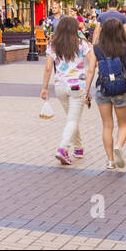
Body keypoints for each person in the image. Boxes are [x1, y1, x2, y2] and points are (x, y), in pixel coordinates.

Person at [86, 16, 126, 171]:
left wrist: (86, 91)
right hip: (121, 88)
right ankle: (119, 146)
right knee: (124, 124)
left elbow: (90, 70)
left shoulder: (96, 48)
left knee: (107, 126)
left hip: (102, 88)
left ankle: (110, 161)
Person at [40, 19, 91, 165]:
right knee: (73, 119)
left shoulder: (53, 43)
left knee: (71, 118)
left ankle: (79, 148)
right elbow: (92, 60)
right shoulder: (81, 43)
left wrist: (44, 88)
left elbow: (48, 68)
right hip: (77, 86)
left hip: (60, 87)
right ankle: (63, 148)